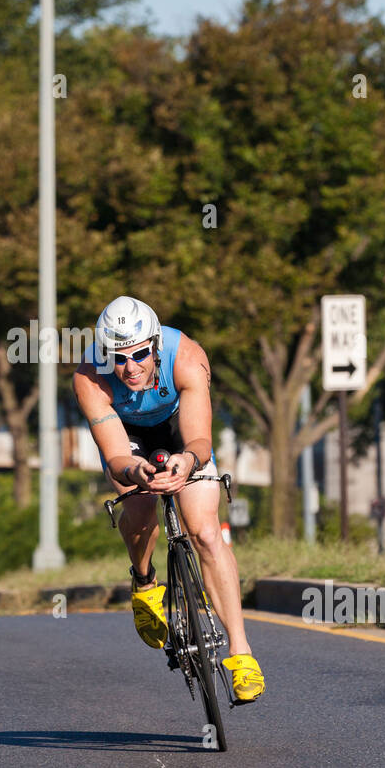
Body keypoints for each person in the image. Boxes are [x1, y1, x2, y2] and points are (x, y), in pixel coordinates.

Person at [73, 296, 264, 702]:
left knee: (206, 532)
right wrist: (137, 472)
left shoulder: (188, 357)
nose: (131, 367)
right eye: (119, 359)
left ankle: (241, 654)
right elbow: (116, 456)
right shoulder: (89, 377)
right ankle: (144, 584)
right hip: (130, 441)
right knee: (140, 510)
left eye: (141, 354)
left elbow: (199, 440)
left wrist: (186, 461)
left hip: (182, 433)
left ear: (156, 345)